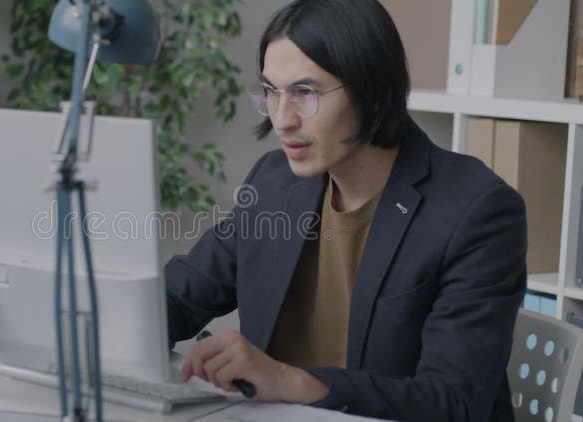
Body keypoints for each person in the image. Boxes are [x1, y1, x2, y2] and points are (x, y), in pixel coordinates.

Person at [164, 1, 527, 421]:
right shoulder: (274, 183)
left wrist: (290, 380)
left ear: (371, 91)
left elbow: (453, 403)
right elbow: (182, 292)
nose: (282, 120)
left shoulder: (478, 211)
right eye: (271, 92)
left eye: (305, 93)